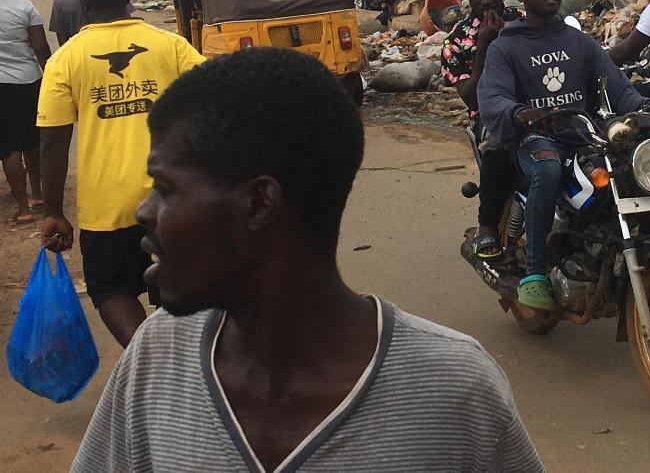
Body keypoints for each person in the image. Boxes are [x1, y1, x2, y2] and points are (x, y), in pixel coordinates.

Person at [72, 48, 543, 472]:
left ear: (258, 204)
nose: (143, 212)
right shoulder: (157, 358)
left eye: (165, 188)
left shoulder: (455, 390)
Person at [478, 0, 650, 311]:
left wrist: (646, 107)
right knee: (547, 169)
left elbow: (616, 85)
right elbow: (493, 95)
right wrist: (519, 112)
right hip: (534, 138)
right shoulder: (505, 46)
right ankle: (535, 272)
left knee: (634, 159)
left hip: (582, 131)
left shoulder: (578, 41)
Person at [38, 0, 206, 347]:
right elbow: (214, 100)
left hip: (106, 205)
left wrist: (53, 211)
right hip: (172, 194)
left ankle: (149, 357)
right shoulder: (171, 45)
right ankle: (183, 357)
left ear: (84, 0)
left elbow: (52, 140)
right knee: (178, 280)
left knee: (111, 287)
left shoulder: (65, 59)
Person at [441, 0, 519, 259]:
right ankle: (487, 225)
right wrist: (485, 44)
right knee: (499, 144)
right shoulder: (457, 42)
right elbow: (471, 99)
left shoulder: (524, 19)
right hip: (489, 114)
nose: (487, 1)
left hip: (538, 104)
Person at [0, 0, 51, 224]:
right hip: (29, 81)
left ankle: (23, 209)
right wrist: (52, 78)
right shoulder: (24, 6)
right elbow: (41, 48)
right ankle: (38, 194)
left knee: (8, 147)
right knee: (32, 140)